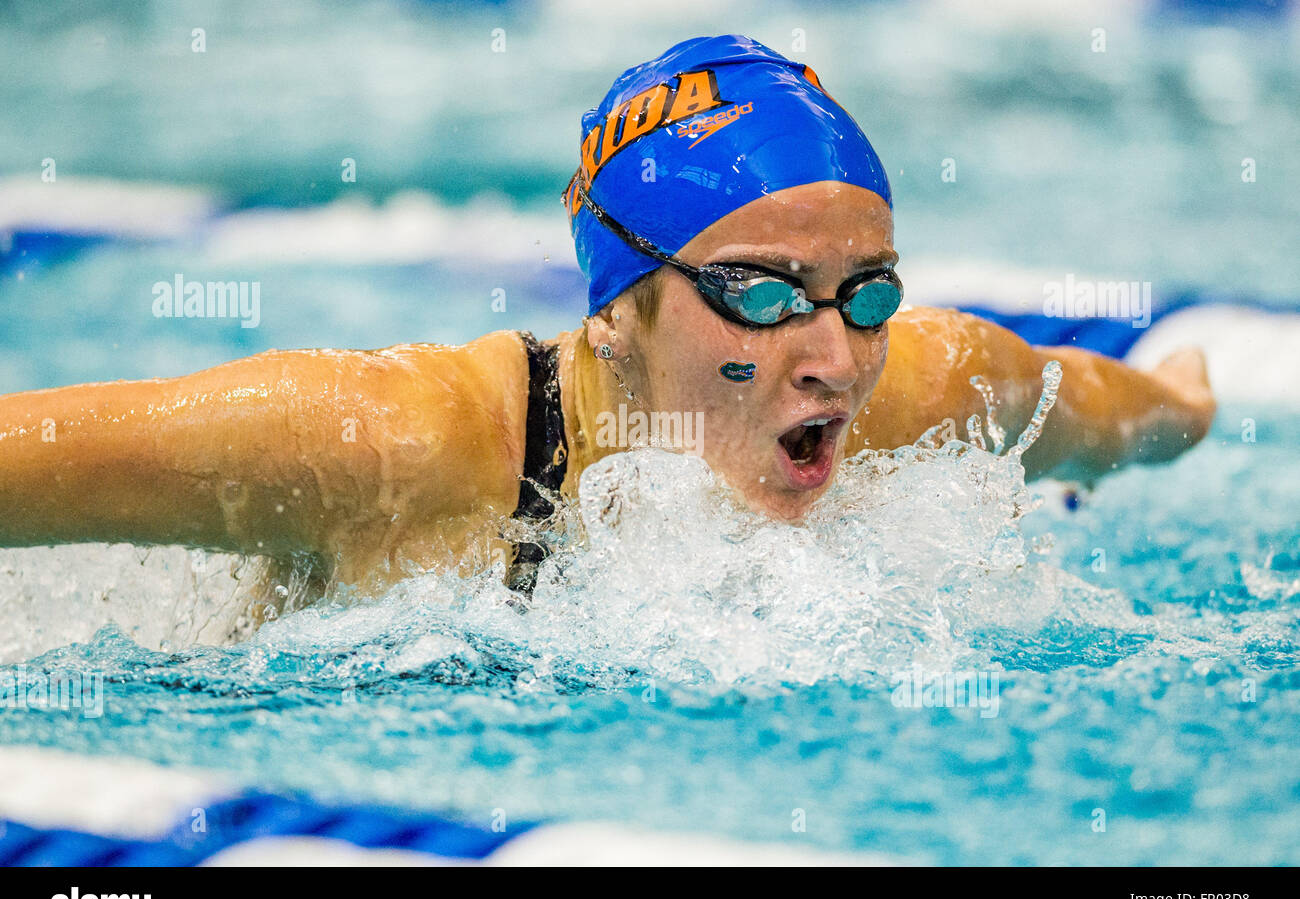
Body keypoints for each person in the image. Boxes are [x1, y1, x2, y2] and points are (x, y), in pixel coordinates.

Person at [0, 35, 1215, 607]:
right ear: (615, 313)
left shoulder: (930, 394)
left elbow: (1128, 414)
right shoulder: (383, 445)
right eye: (760, 293)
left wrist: (1190, 403)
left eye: (868, 291)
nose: (836, 359)